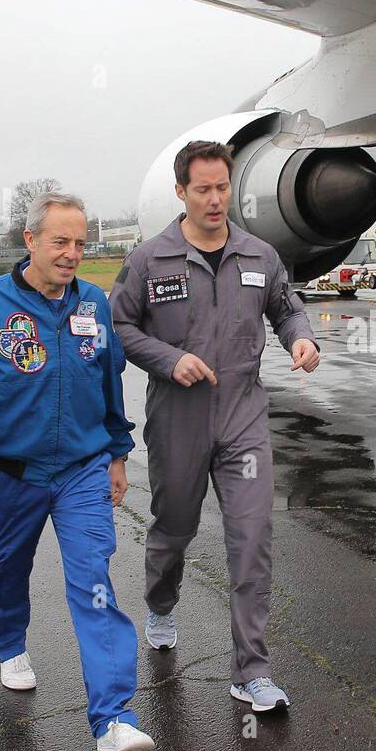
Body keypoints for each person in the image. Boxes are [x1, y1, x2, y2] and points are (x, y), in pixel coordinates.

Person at [0, 191, 154, 751]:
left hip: (81, 470)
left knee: (94, 581)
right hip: (12, 474)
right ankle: (8, 642)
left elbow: (109, 385)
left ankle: (113, 717)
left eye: (80, 242)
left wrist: (117, 453)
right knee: (7, 566)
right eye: (61, 241)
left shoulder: (94, 306)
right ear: (30, 240)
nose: (73, 253)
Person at [110, 140, 320, 714]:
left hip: (243, 419)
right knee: (173, 528)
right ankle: (159, 602)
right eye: (202, 189)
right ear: (180, 192)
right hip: (178, 420)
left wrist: (301, 336)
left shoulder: (259, 255)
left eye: (222, 187)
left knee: (252, 540)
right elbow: (119, 325)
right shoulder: (150, 260)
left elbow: (287, 307)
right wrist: (166, 357)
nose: (214, 199)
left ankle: (251, 670)